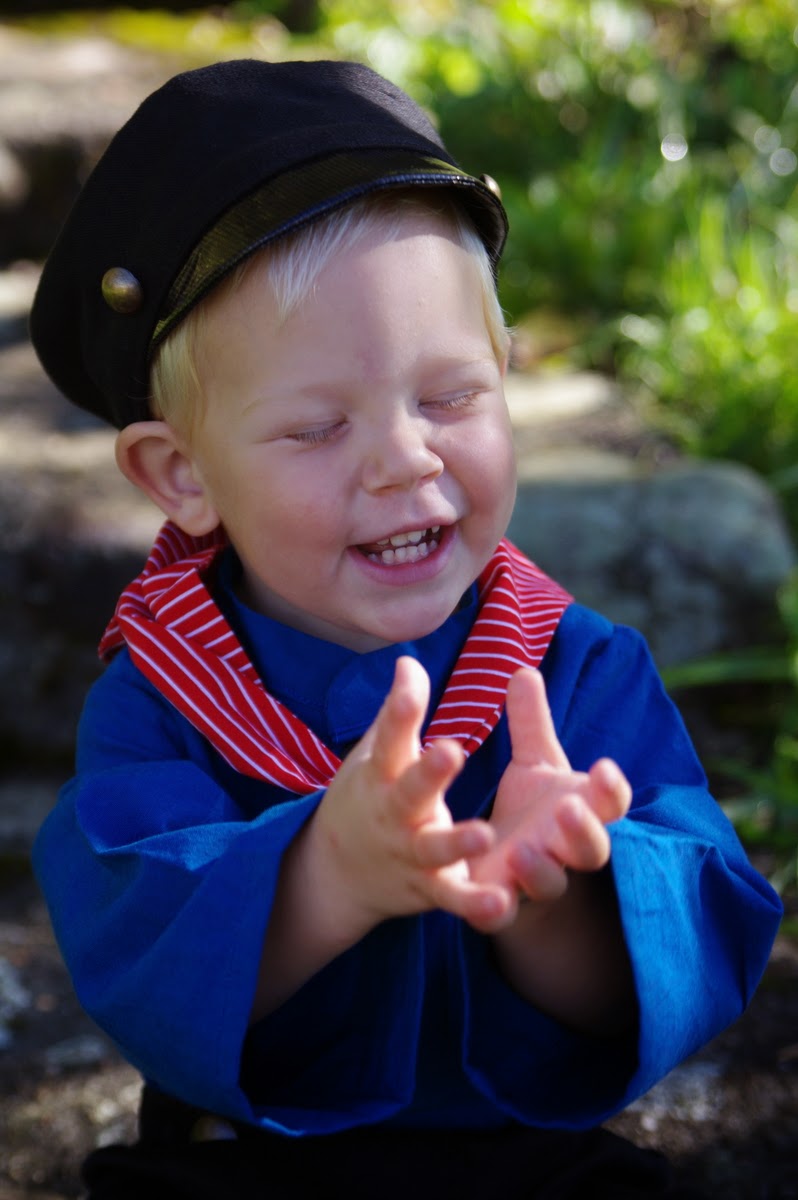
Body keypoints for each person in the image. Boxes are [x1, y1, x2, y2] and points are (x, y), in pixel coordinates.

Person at [29, 58, 781, 1199]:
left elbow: (704, 942)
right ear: (182, 474)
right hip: (250, 1169)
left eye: (450, 397)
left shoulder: (570, 670)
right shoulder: (164, 701)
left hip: (534, 1163)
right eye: (319, 426)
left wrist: (556, 899)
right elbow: (134, 949)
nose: (406, 458)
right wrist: (327, 873)